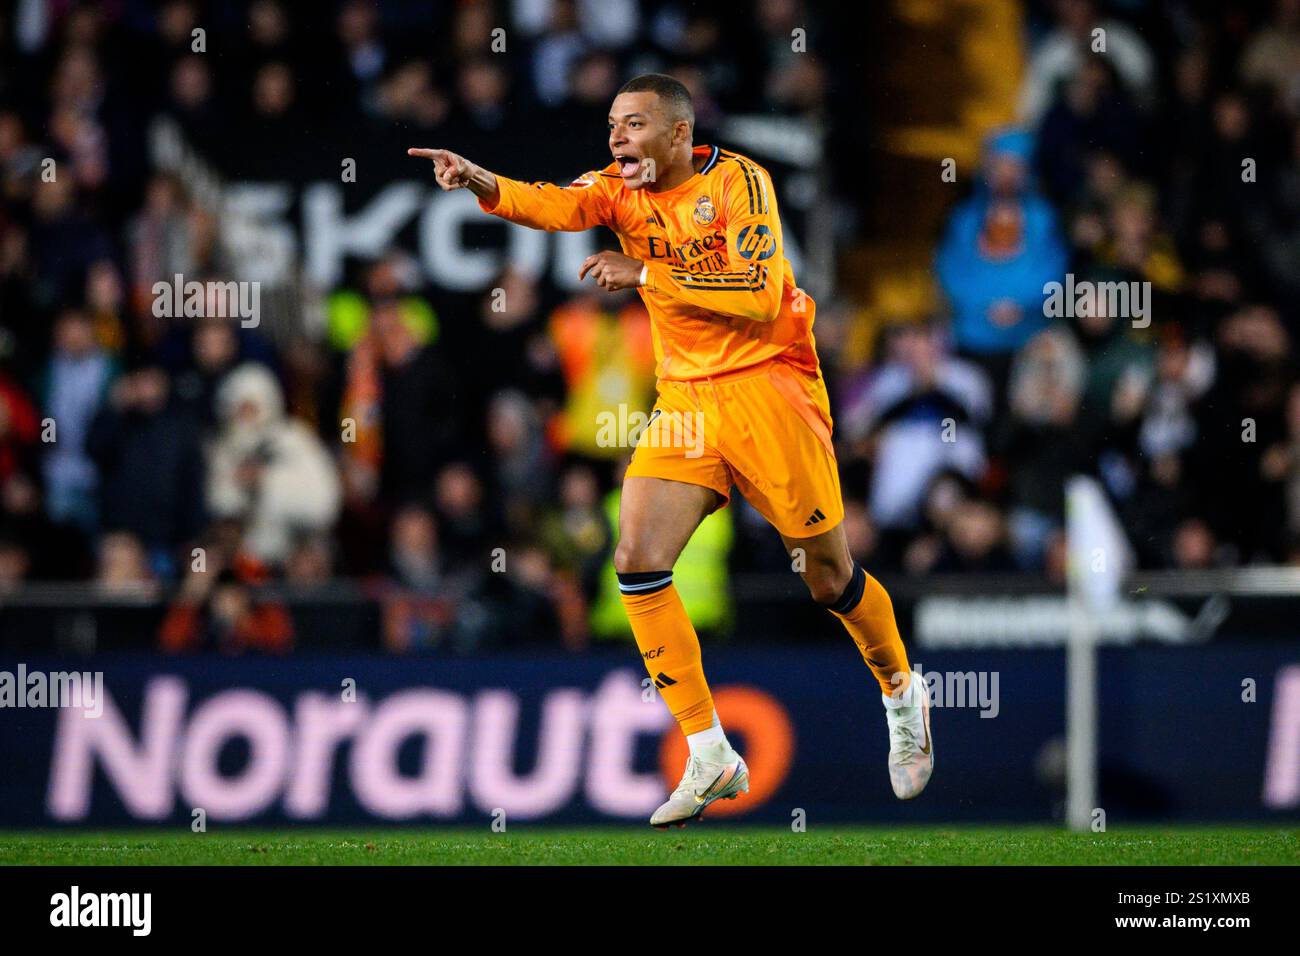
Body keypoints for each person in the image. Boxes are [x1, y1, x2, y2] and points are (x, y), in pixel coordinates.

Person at [408, 73, 932, 828]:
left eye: (633, 125)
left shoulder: (741, 183)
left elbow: (756, 292)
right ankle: (710, 750)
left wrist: (649, 272)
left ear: (679, 135)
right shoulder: (618, 189)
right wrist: (480, 180)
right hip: (686, 398)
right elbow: (553, 203)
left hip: (768, 387)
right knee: (636, 558)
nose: (616, 138)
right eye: (612, 124)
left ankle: (900, 693)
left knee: (828, 577)